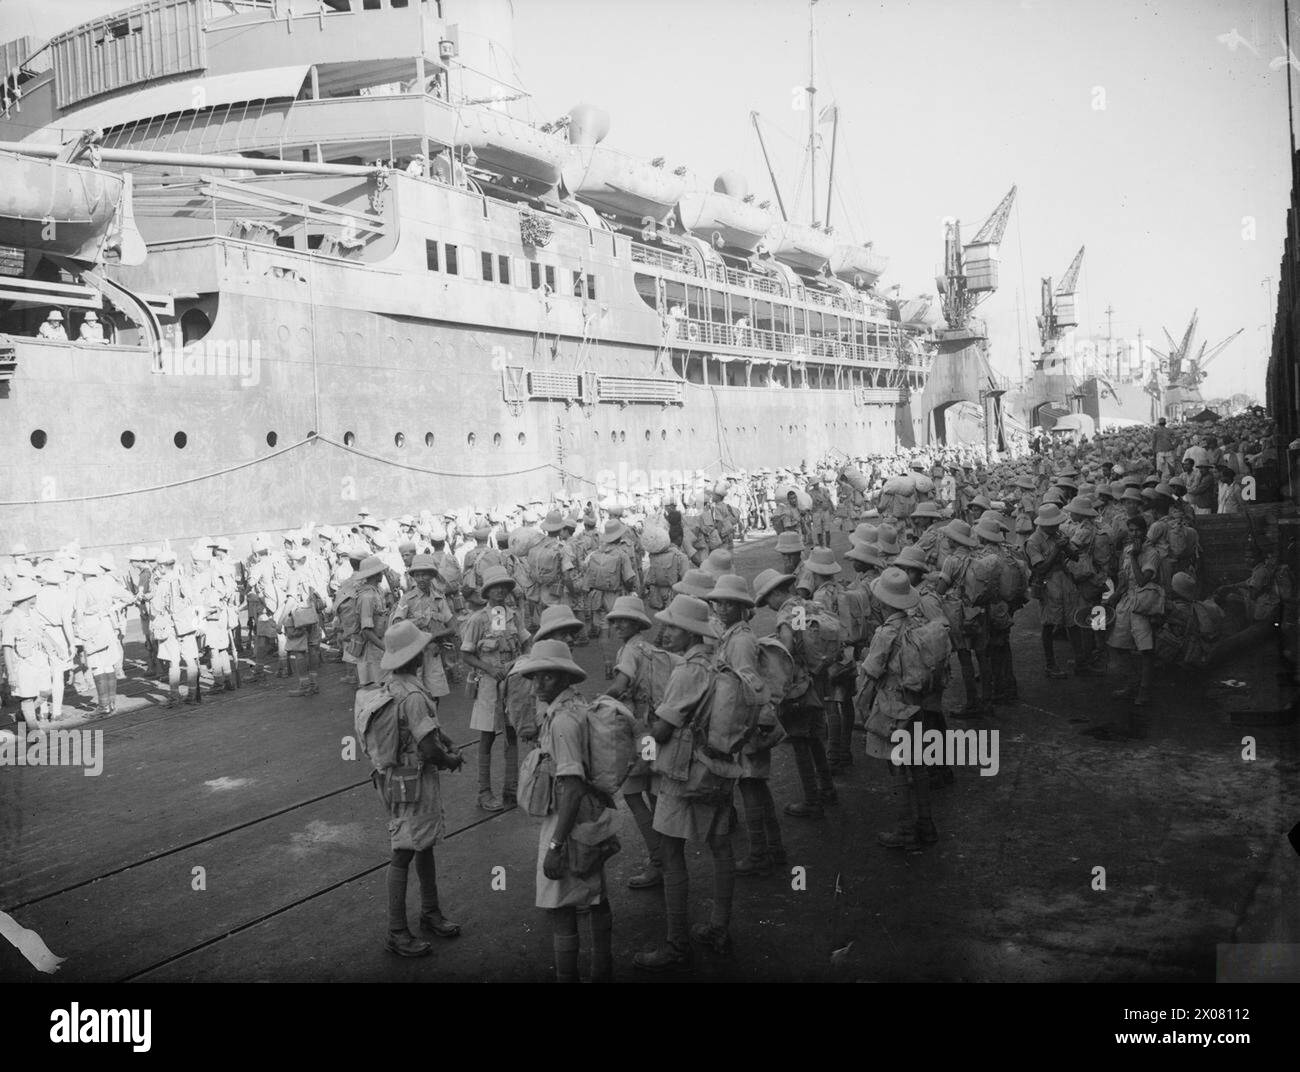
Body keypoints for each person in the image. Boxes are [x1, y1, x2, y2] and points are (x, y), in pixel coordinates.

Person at [634, 595, 736, 972]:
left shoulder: (686, 671)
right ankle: (719, 927)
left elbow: (662, 728)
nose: (666, 631)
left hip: (682, 770)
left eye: (673, 627)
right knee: (720, 846)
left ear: (690, 631)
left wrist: (642, 738)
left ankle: (676, 944)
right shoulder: (716, 662)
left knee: (671, 852)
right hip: (718, 766)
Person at [361, 621, 464, 957]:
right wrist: (451, 760)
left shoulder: (391, 683)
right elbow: (429, 747)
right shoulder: (414, 693)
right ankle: (396, 930)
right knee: (405, 849)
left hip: (395, 774)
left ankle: (430, 912)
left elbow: (425, 730)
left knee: (423, 843)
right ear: (417, 655)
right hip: (412, 777)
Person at [518, 639, 618, 984]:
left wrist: (555, 847)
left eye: (545, 678)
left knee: (559, 903)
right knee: (594, 894)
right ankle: (601, 971)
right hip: (589, 815)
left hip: (567, 817)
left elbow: (572, 785)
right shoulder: (577, 703)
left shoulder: (562, 721)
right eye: (534, 678)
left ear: (562, 677)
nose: (536, 686)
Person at [604, 595, 678, 890]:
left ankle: (659, 860)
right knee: (652, 792)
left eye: (625, 620)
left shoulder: (629, 653)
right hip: (655, 728)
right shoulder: (649, 648)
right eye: (616, 620)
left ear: (637, 624)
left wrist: (599, 704)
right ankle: (665, 857)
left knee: (636, 793)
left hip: (640, 733)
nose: (619, 624)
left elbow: (620, 687)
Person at [861, 567, 938, 850]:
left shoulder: (886, 633)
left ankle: (905, 828)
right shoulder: (918, 625)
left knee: (897, 767)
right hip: (918, 702)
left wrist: (861, 706)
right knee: (918, 766)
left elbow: (871, 671)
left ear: (883, 602)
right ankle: (927, 823)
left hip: (893, 706)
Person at [459, 566, 530, 812]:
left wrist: (522, 664)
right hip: (489, 686)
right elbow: (466, 654)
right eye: (495, 588)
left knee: (512, 733)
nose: (500, 592)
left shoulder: (514, 615)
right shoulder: (478, 620)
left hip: (512, 684)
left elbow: (525, 642)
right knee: (487, 736)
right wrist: (489, 669)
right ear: (487, 593)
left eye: (504, 587)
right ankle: (484, 791)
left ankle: (511, 789)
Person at [1107, 515, 1161, 729]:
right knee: (1119, 645)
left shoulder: (1152, 553)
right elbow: (1124, 580)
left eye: (1138, 530)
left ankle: (1144, 689)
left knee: (1145, 650)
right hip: (1127, 601)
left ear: (1145, 531)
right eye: (1131, 530)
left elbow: (1141, 580)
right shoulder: (1128, 551)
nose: (1135, 534)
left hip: (1144, 603)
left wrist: (1136, 558)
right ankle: (1132, 683)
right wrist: (1114, 596)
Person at [1025, 504, 1081, 679]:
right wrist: (1057, 549)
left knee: (1073, 621)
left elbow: (1075, 556)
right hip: (1048, 583)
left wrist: (1067, 547)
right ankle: (1050, 664)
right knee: (1049, 623)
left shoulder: (1058, 534)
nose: (1057, 527)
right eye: (1054, 524)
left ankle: (1081, 661)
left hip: (1065, 581)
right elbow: (1040, 568)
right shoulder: (1034, 541)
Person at [150, 551, 201, 706]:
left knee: (174, 662)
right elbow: (194, 600)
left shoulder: (163, 583)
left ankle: (174, 695)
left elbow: (156, 608)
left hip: (171, 626)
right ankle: (193, 693)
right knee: (190, 659)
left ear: (162, 566)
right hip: (187, 624)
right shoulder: (183, 579)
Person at [2, 579, 51, 732]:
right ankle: (34, 730)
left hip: (39, 659)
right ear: (27, 597)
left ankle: (22, 714)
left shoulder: (32, 614)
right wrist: (11, 673)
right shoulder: (11, 620)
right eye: (33, 594)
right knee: (27, 697)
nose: (36, 597)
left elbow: (43, 634)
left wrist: (55, 647)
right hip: (22, 663)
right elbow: (7, 647)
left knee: (45, 692)